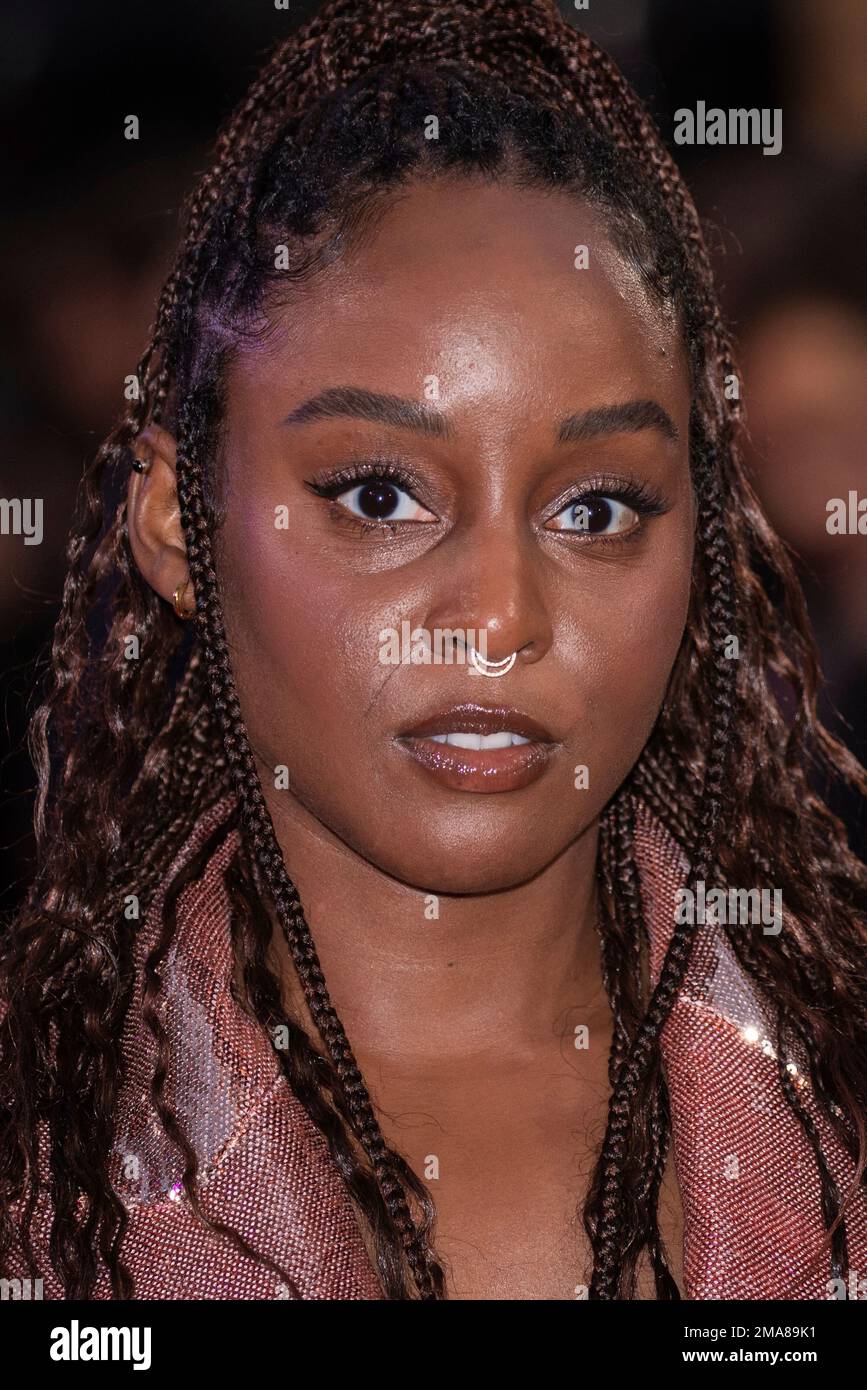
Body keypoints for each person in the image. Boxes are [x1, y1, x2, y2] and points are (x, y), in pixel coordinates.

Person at [1, 0, 865, 1302]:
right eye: (379, 495)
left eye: (596, 507)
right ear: (180, 526)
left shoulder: (830, 1100)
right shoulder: (47, 1170)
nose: (499, 615)